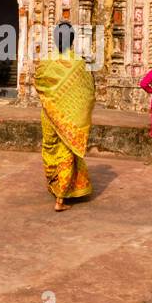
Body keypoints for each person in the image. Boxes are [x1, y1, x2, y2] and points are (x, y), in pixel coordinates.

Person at [34, 23, 95, 211]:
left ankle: (55, 185)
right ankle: (60, 199)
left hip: (50, 114)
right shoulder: (79, 63)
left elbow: (39, 84)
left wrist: (54, 100)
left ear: (54, 38)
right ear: (72, 40)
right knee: (66, 152)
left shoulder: (46, 62)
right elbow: (88, 93)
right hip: (69, 119)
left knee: (51, 148)